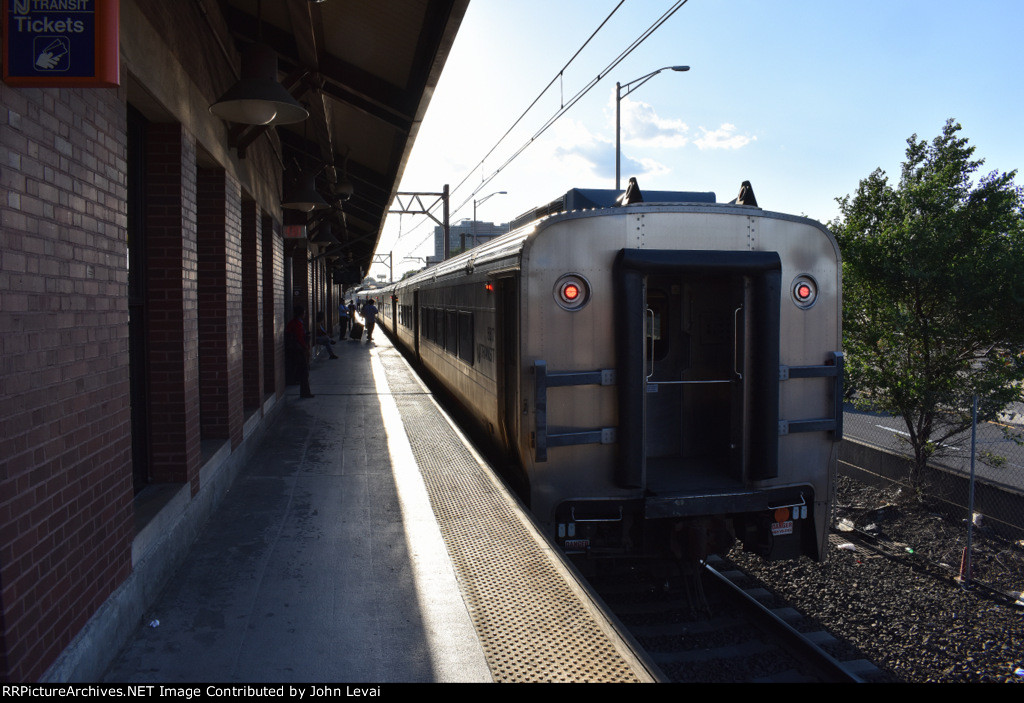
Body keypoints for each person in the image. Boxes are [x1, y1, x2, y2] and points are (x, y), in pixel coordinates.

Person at [286, 305, 314, 398]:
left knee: (303, 371)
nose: (305, 314)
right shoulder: (297, 324)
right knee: (304, 371)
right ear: (301, 314)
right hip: (298, 350)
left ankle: (304, 391)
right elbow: (299, 338)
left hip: (297, 349)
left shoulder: (294, 323)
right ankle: (305, 392)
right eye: (304, 313)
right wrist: (306, 348)